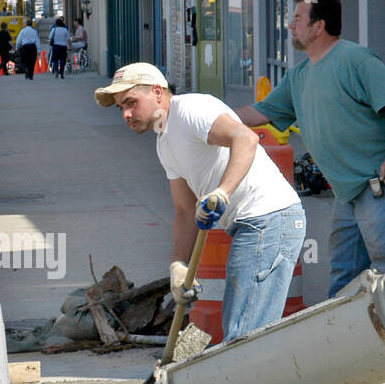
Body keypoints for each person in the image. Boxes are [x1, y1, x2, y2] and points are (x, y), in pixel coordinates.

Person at [96, 63, 306, 343]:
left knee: (245, 336)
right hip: (251, 225)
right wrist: (178, 265)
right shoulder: (165, 142)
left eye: (131, 103)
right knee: (244, 332)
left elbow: (245, 138)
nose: (126, 114)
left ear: (157, 92)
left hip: (269, 219)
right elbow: (184, 210)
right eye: (121, 107)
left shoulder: (191, 110)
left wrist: (222, 192)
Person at [235, 0, 385, 298]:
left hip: (379, 185)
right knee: (345, 272)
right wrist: (209, 118)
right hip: (346, 192)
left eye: (297, 18)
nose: (291, 25)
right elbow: (260, 112)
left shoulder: (355, 59)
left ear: (318, 27)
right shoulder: (299, 76)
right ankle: (344, 338)